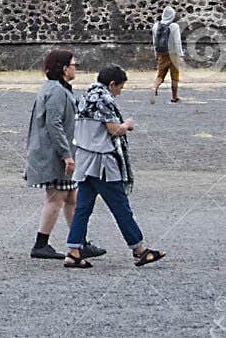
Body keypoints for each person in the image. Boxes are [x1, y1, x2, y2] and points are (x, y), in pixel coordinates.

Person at [64, 65, 165, 269]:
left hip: (84, 160)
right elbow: (113, 130)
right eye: (120, 87)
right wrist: (127, 125)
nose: (120, 91)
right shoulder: (105, 99)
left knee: (83, 208)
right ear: (112, 84)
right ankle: (139, 250)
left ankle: (74, 251)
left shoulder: (86, 96)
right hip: (102, 162)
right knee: (120, 207)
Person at [24, 48, 104, 260]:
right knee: (56, 199)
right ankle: (41, 244)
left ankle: (78, 241)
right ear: (63, 68)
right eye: (72, 64)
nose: (75, 67)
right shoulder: (57, 91)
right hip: (56, 155)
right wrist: (66, 155)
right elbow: (54, 124)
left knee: (72, 198)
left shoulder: (56, 88)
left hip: (59, 153)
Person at [151, 5, 183, 103]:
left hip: (162, 53)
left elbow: (154, 42)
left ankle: (154, 89)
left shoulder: (156, 26)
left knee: (160, 75)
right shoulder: (174, 26)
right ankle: (174, 97)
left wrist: (156, 54)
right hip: (173, 54)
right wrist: (180, 54)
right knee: (174, 77)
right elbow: (177, 42)